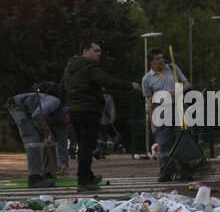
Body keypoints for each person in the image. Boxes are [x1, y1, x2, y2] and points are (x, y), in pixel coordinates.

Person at [62, 41, 141, 190]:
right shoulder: (89, 67)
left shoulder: (69, 68)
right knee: (87, 146)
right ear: (85, 51)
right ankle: (85, 180)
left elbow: (62, 87)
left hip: (74, 110)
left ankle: (86, 175)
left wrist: (67, 106)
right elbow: (108, 81)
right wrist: (131, 85)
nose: (100, 54)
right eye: (96, 51)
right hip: (88, 110)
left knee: (83, 145)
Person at [6, 87, 70, 188]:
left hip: (33, 113)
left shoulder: (63, 122)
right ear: (67, 113)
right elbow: (37, 115)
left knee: (50, 141)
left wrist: (64, 163)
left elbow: (63, 142)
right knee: (33, 140)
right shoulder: (54, 102)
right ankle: (34, 178)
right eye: (68, 119)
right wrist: (47, 133)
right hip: (18, 106)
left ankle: (48, 172)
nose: (68, 122)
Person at [141, 48, 189, 177]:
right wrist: (152, 122)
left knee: (181, 140)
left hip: (178, 107)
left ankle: (184, 171)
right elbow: (149, 101)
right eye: (157, 59)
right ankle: (166, 171)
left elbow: (187, 84)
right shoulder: (146, 79)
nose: (161, 61)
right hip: (160, 111)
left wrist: (177, 91)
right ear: (151, 62)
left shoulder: (173, 68)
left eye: (162, 58)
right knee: (163, 143)